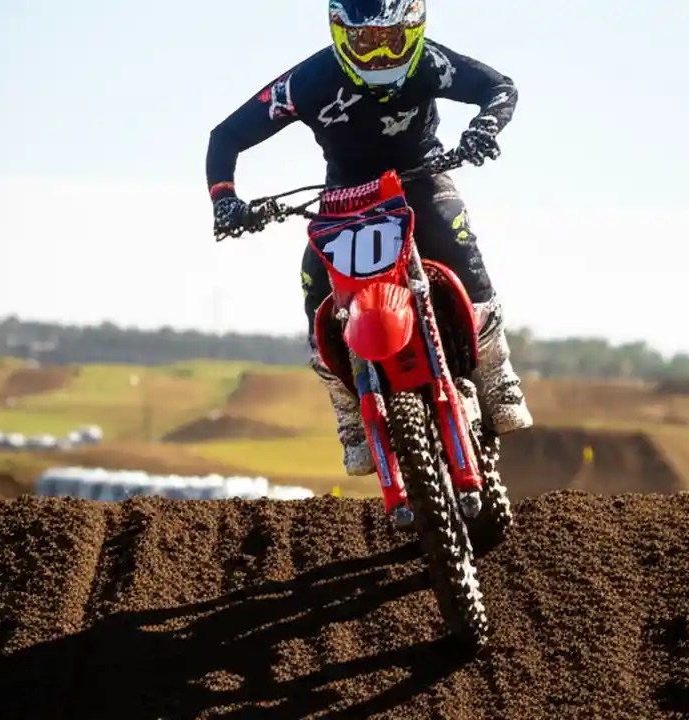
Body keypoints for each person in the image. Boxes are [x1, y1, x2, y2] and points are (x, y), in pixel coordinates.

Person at [207, 0, 532, 478]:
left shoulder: (430, 63)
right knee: (316, 288)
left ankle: (497, 374)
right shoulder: (310, 81)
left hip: (420, 178)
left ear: (414, 30)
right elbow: (226, 136)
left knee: (458, 242)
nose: (380, 54)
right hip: (344, 197)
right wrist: (226, 201)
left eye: (392, 39)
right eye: (365, 42)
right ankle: (349, 410)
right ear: (342, 35)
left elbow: (499, 86)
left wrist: (484, 127)